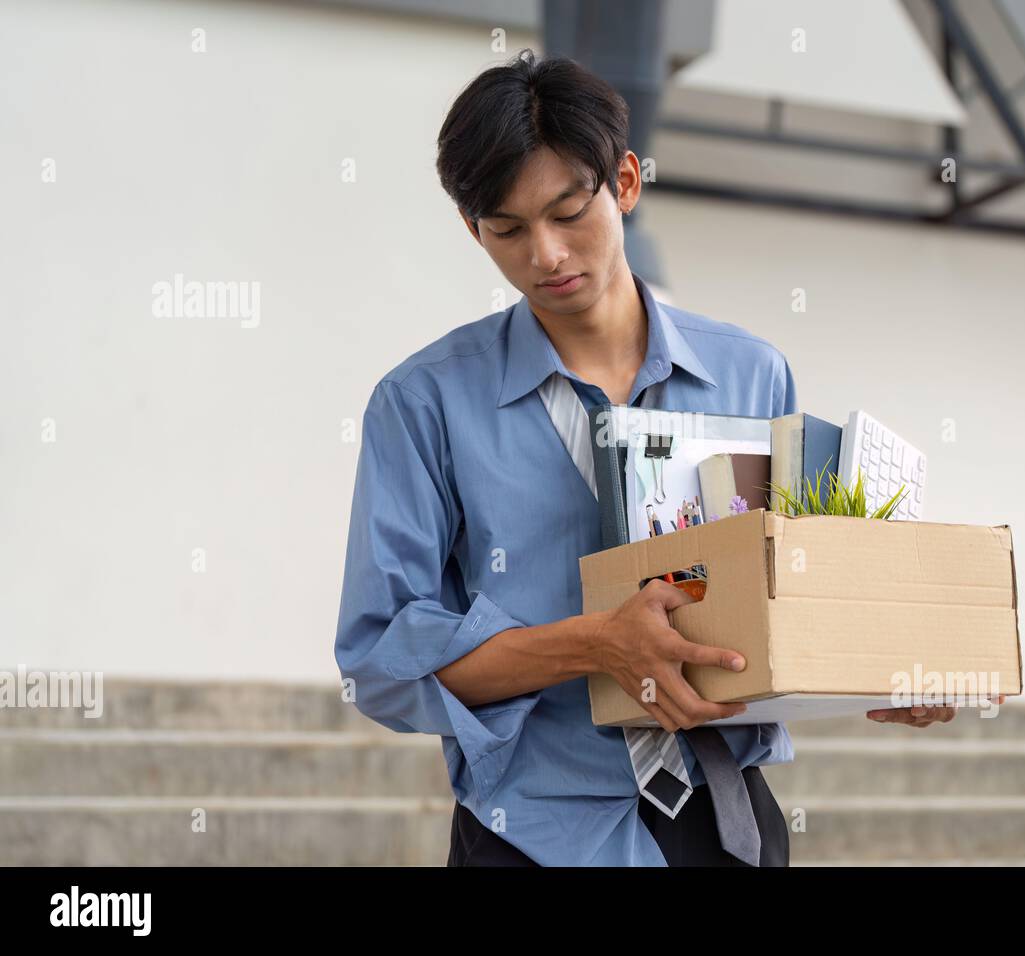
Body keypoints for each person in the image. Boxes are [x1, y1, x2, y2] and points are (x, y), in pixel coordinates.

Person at [334, 49, 957, 867]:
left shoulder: (751, 373)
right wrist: (596, 644)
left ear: (625, 182)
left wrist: (881, 666)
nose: (547, 256)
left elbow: (786, 591)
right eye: (508, 229)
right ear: (471, 227)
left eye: (569, 210)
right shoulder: (422, 404)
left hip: (727, 824)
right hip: (535, 836)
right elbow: (380, 658)